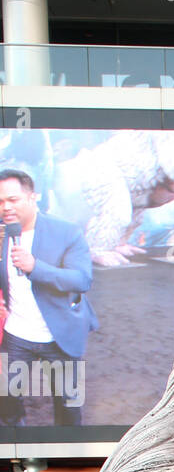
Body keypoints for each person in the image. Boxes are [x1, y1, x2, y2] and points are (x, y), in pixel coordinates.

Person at [0, 168, 99, 426]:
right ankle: (18, 451)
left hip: (59, 338)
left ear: (33, 197)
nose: (5, 207)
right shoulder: (2, 233)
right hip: (16, 337)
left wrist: (35, 267)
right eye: (0, 202)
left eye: (12, 200)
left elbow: (82, 279)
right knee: (7, 400)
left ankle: (68, 462)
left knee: (68, 408)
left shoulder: (66, 232)